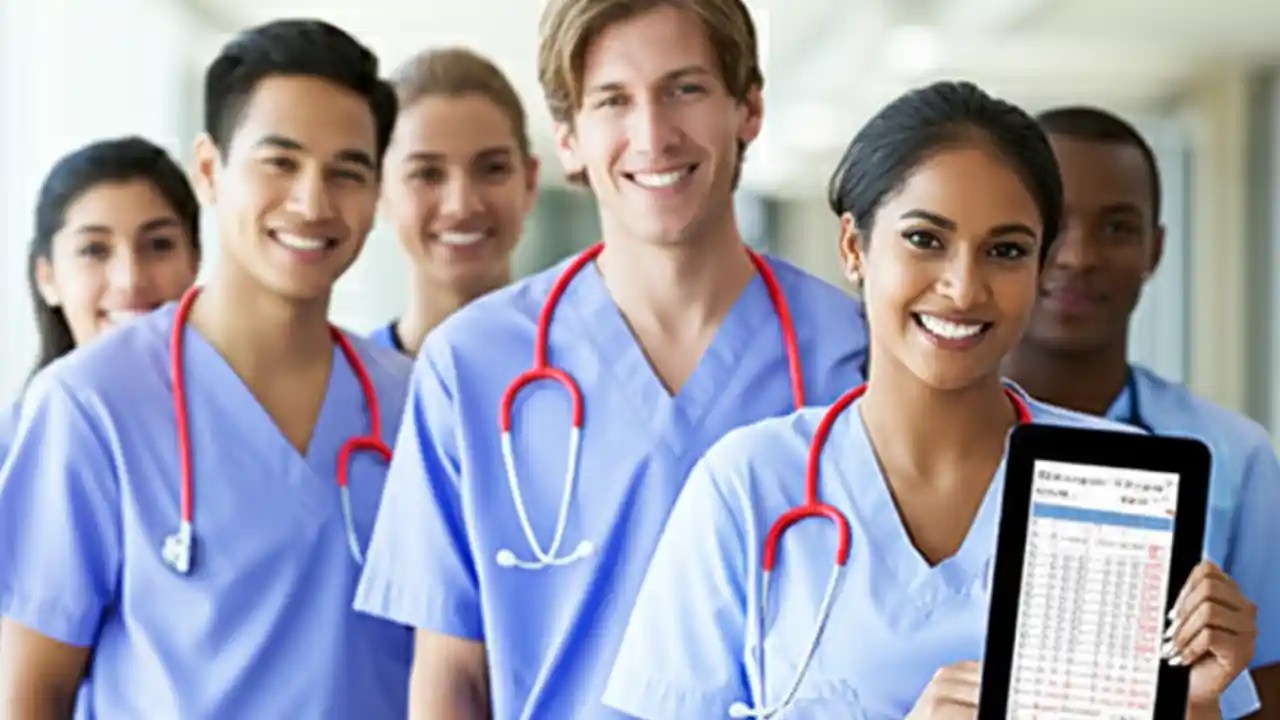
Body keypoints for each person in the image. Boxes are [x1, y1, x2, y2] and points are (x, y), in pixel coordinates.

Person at [603, 81, 1260, 720]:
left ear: (1038, 270)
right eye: (925, 239)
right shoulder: (748, 485)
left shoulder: (1120, 483)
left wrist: (1197, 705)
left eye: (1006, 251)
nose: (964, 287)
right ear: (855, 246)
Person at [352, 0, 870, 717]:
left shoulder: (853, 355)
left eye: (684, 89)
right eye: (613, 101)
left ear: (748, 108)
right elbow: (451, 678)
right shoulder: (471, 366)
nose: (653, 135)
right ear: (567, 139)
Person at [0, 19, 412, 719]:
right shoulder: (91, 404)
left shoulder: (412, 406)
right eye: (280, 163)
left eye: (348, 172)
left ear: (377, 195)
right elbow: (31, 692)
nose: (313, 203)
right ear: (211, 170)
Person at [1004, 105, 1279, 715]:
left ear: (1155, 250)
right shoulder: (932, 440)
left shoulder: (1236, 455)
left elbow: (1270, 682)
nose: (1078, 255)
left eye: (1118, 227)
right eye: (1052, 223)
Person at [0, 137, 202, 464]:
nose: (131, 278)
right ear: (46, 277)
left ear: (194, 260)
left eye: (159, 245)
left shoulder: (248, 422)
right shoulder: (14, 450)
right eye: (94, 250)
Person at [369, 47, 538, 356]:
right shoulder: (342, 390)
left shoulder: (589, 370)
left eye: (492, 169)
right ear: (378, 189)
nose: (461, 206)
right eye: (427, 174)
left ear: (529, 181)